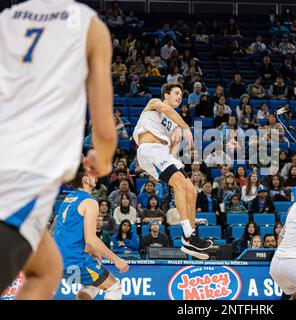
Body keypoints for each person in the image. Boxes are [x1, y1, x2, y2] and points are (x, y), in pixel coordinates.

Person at [0, 1, 117, 297]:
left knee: (48, 268)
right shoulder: (89, 25)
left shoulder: (6, 19)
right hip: (20, 178)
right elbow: (104, 131)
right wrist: (101, 160)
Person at [132, 83, 212, 260]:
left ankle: (191, 238)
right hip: (149, 149)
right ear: (166, 95)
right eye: (176, 93)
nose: (179, 97)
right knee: (178, 183)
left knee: (191, 190)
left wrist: (177, 140)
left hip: (163, 154)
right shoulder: (154, 103)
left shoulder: (173, 126)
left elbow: (172, 152)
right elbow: (169, 113)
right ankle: (187, 234)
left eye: (182, 95)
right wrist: (185, 127)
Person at [53, 166, 128, 300]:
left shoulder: (68, 199)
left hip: (58, 259)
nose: (96, 176)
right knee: (114, 287)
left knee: (91, 287)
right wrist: (116, 260)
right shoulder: (90, 202)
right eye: (92, 174)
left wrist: (91, 250)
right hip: (75, 259)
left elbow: (70, 233)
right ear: (86, 179)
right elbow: (90, 239)